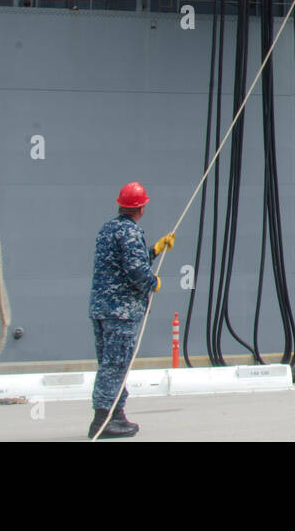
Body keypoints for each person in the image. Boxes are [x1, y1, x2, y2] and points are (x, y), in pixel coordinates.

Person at [88, 182, 174, 439]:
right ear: (142, 208)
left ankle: (117, 414)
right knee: (115, 365)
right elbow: (136, 271)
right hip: (121, 312)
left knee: (111, 363)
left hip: (101, 309)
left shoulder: (108, 229)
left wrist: (155, 251)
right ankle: (102, 422)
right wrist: (152, 282)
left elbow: (121, 261)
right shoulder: (131, 232)